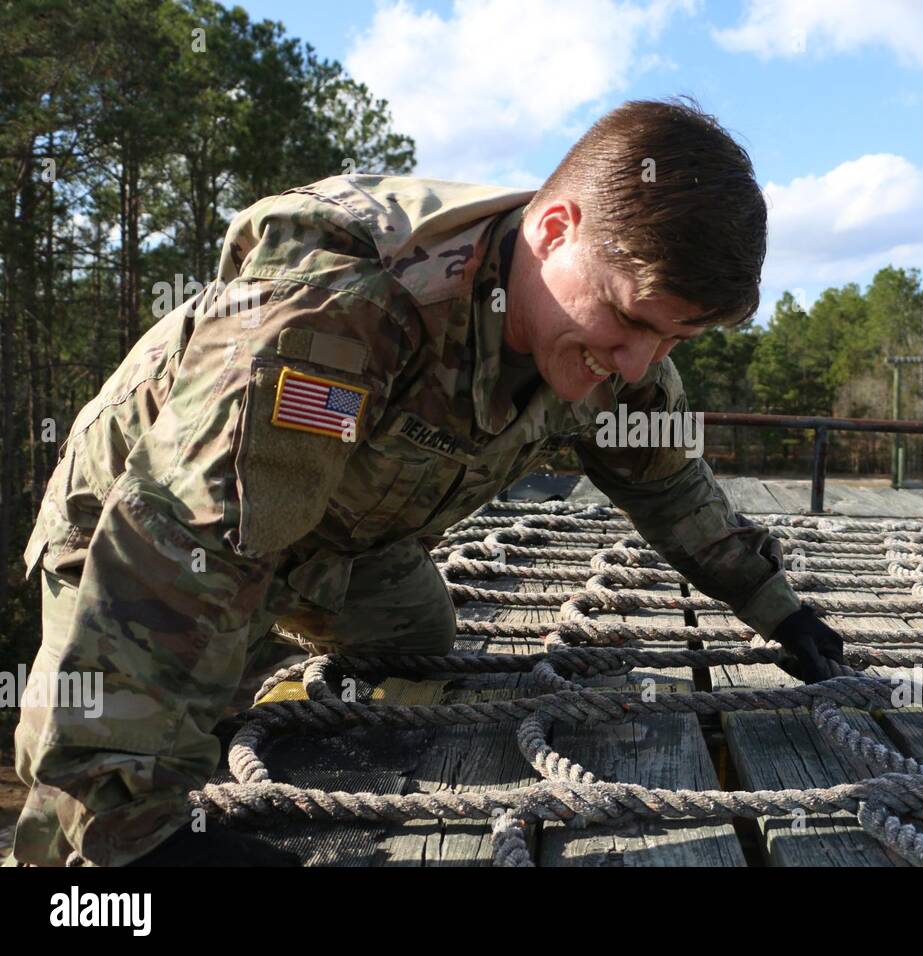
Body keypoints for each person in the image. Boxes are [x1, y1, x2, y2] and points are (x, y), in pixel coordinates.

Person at [9, 97, 844, 868]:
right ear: (555, 228)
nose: (635, 363)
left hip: (347, 537)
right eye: (627, 319)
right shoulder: (347, 303)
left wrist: (778, 607)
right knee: (113, 787)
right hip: (152, 531)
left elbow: (668, 485)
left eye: (672, 340)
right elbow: (185, 536)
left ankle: (261, 663)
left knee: (418, 631)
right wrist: (130, 829)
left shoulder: (623, 352)